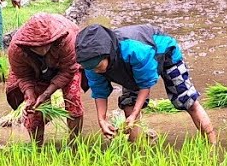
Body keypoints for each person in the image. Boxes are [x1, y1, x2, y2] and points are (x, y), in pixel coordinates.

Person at [74, 24, 215, 144]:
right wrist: (101, 119)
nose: (95, 71)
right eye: (91, 68)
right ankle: (137, 151)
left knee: (187, 101)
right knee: (129, 104)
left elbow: (144, 85)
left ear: (107, 54)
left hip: (165, 54)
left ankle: (211, 143)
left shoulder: (135, 50)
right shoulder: (91, 63)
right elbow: (99, 91)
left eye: (98, 66)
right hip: (130, 67)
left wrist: (135, 114)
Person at [6, 13, 84, 146]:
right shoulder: (16, 49)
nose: (42, 49)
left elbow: (69, 69)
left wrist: (47, 93)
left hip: (65, 69)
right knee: (34, 110)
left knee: (73, 100)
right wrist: (30, 95)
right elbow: (23, 76)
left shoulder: (67, 39)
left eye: (46, 44)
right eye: (36, 46)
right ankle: (37, 148)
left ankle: (74, 143)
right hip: (36, 74)